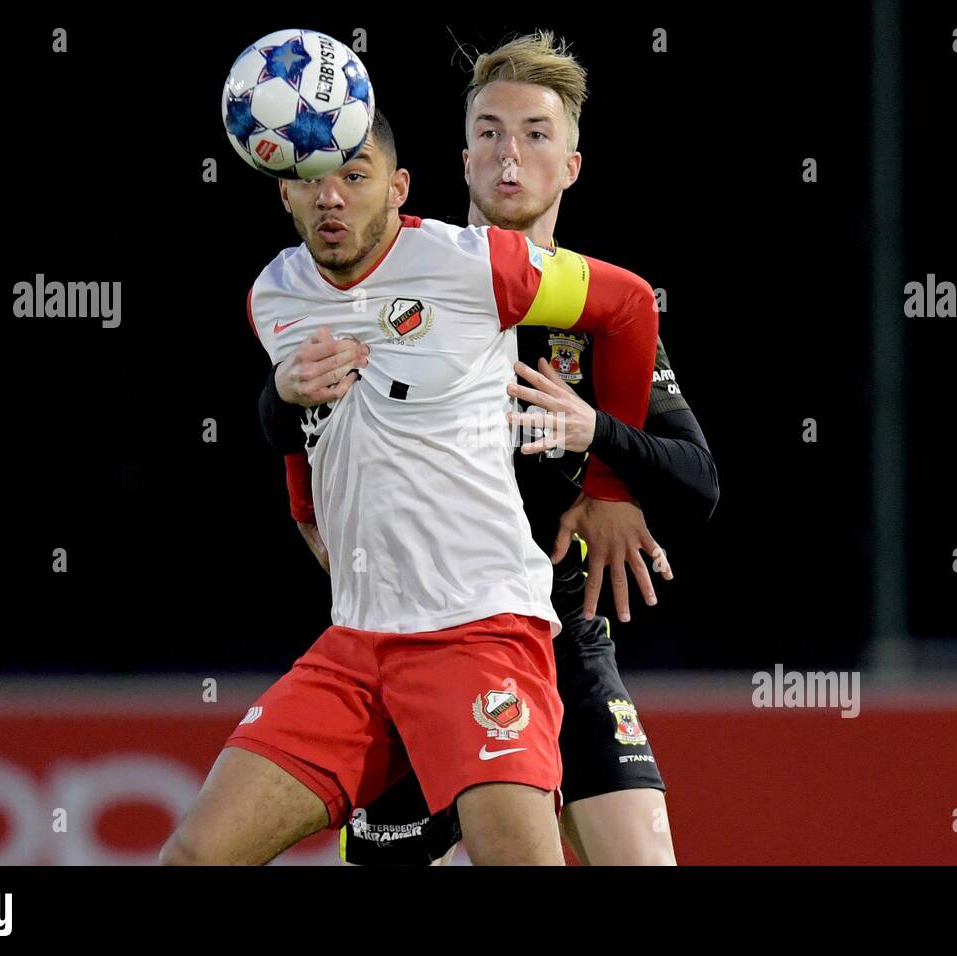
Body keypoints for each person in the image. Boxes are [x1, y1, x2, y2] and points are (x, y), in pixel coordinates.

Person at [160, 101, 661, 865]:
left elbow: (627, 306)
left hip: (479, 630)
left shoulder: (474, 264)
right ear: (284, 192)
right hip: (358, 643)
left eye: (354, 177)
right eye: (313, 180)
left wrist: (612, 487)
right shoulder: (274, 294)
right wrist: (302, 501)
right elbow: (305, 406)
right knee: (195, 856)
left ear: (397, 189)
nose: (332, 197)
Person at [259, 32, 718, 866]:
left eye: (536, 135)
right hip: (420, 632)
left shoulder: (596, 317)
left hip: (559, 636)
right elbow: (298, 403)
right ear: (462, 155)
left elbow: (699, 480)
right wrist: (289, 448)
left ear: (570, 166)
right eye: (490, 133)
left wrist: (606, 460)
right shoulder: (405, 276)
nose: (510, 156)